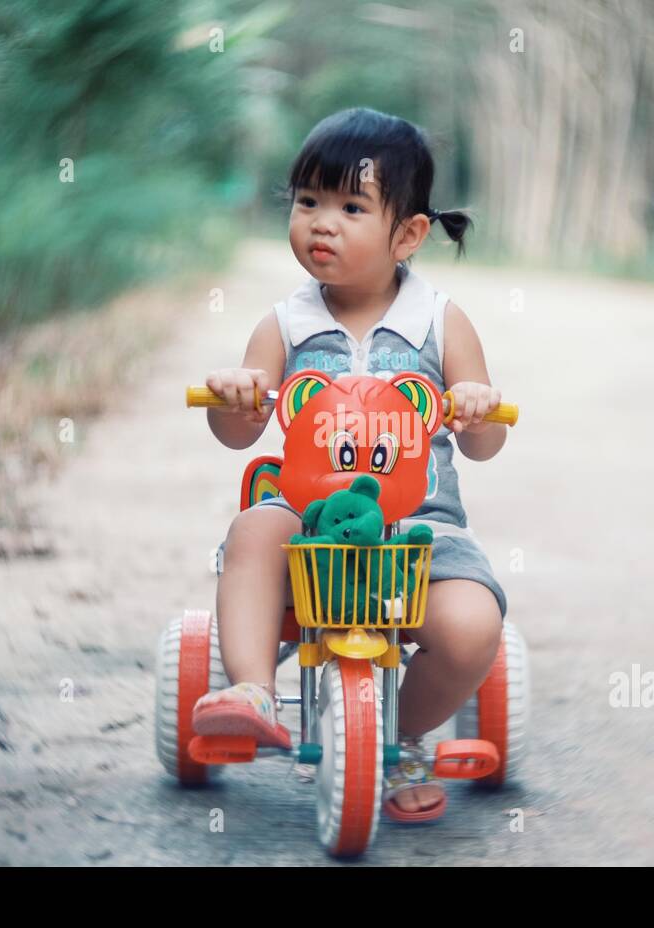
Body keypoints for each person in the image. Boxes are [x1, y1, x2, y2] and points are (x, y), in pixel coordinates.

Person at [193, 107, 509, 823]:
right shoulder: (286, 323)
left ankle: (399, 738)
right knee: (253, 530)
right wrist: (237, 398)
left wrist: (478, 408)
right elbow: (237, 435)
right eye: (308, 202)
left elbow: (484, 444)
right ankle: (250, 691)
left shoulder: (439, 321)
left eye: (350, 207)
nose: (321, 223)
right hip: (308, 521)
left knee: (471, 626)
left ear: (409, 234)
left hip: (419, 528)